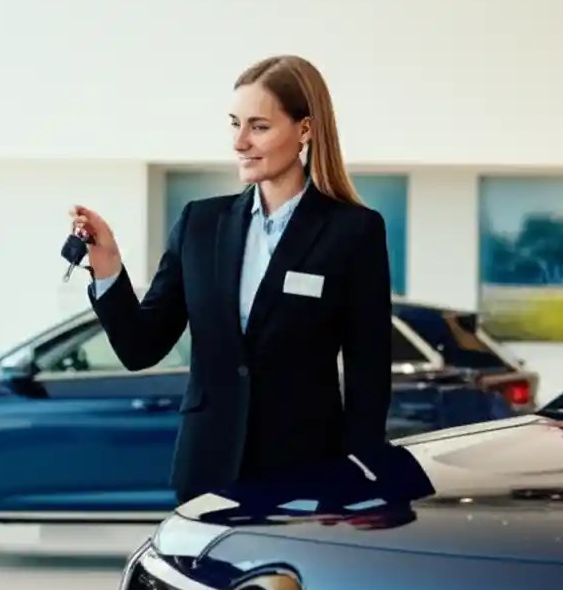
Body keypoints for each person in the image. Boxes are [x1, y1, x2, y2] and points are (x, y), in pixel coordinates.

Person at [70, 54, 392, 503]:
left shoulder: (354, 232)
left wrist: (360, 479)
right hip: (207, 471)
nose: (240, 142)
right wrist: (108, 266)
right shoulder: (200, 224)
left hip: (307, 474)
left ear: (305, 129)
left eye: (259, 126)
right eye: (235, 124)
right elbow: (140, 348)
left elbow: (368, 376)